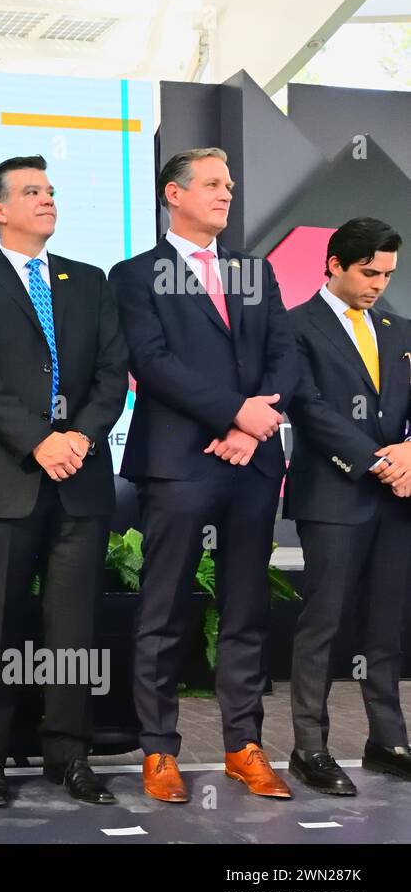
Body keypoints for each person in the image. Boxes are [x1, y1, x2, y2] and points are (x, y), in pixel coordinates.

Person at [109, 147, 299, 802]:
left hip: (252, 465)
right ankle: (159, 752)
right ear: (173, 193)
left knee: (246, 610)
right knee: (162, 611)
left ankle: (243, 746)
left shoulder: (255, 269)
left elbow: (285, 352)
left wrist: (253, 426)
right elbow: (152, 363)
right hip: (177, 464)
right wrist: (233, 416)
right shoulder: (135, 275)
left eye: (229, 184)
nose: (227, 193)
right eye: (214, 184)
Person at [0, 155, 129, 807]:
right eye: (31, 191)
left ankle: (67, 753)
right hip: (5, 482)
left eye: (49, 190)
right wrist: (38, 440)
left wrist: (77, 438)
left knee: (72, 629)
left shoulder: (90, 280)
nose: (47, 199)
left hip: (80, 477)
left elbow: (113, 373)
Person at [283, 217, 411, 795]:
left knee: (386, 624)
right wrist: (380, 462)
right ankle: (310, 747)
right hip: (334, 494)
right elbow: (308, 408)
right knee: (323, 624)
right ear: (334, 263)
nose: (379, 283)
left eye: (388, 272)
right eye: (369, 271)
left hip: (398, 500)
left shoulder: (400, 329)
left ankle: (387, 740)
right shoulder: (294, 327)